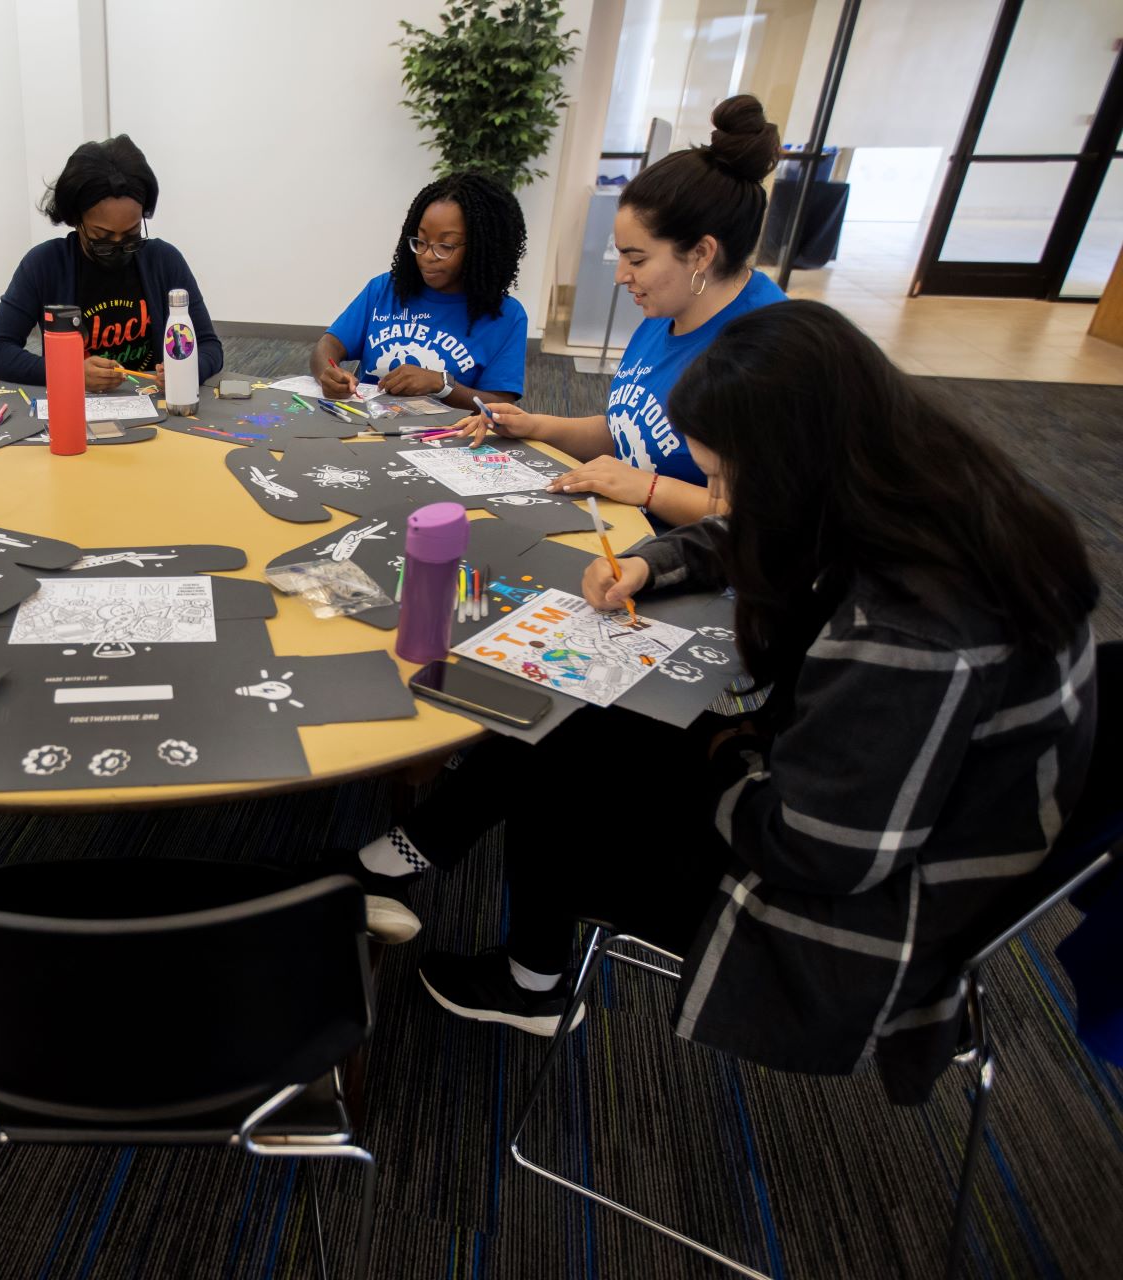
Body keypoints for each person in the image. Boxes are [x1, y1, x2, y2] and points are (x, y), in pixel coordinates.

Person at [365, 302, 1098, 1102]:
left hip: (861, 898)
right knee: (579, 711)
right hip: (878, 800)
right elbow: (750, 533)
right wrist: (650, 565)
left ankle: (523, 975)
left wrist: (722, 748)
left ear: (795, 465)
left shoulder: (911, 626)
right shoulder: (913, 484)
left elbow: (818, 849)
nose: (716, 495)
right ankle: (406, 857)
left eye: (723, 477)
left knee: (569, 759)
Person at [455, 95, 787, 527]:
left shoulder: (769, 351)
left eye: (638, 259)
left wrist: (650, 489)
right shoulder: (670, 308)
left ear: (702, 253)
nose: (620, 276)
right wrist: (538, 426)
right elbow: (630, 433)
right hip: (632, 538)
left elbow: (772, 517)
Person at [0, 135, 222, 391]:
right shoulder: (44, 264)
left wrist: (186, 370)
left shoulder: (163, 261)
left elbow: (209, 346)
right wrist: (70, 371)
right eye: (102, 238)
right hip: (77, 407)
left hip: (155, 405)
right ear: (76, 220)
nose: (119, 247)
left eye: (131, 236)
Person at [310, 172, 528, 407]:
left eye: (445, 246)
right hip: (367, 429)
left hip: (445, 437)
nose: (426, 256)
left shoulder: (506, 316)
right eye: (421, 242)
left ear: (481, 248)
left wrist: (441, 385)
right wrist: (327, 373)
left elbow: (501, 404)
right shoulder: (385, 289)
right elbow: (328, 345)